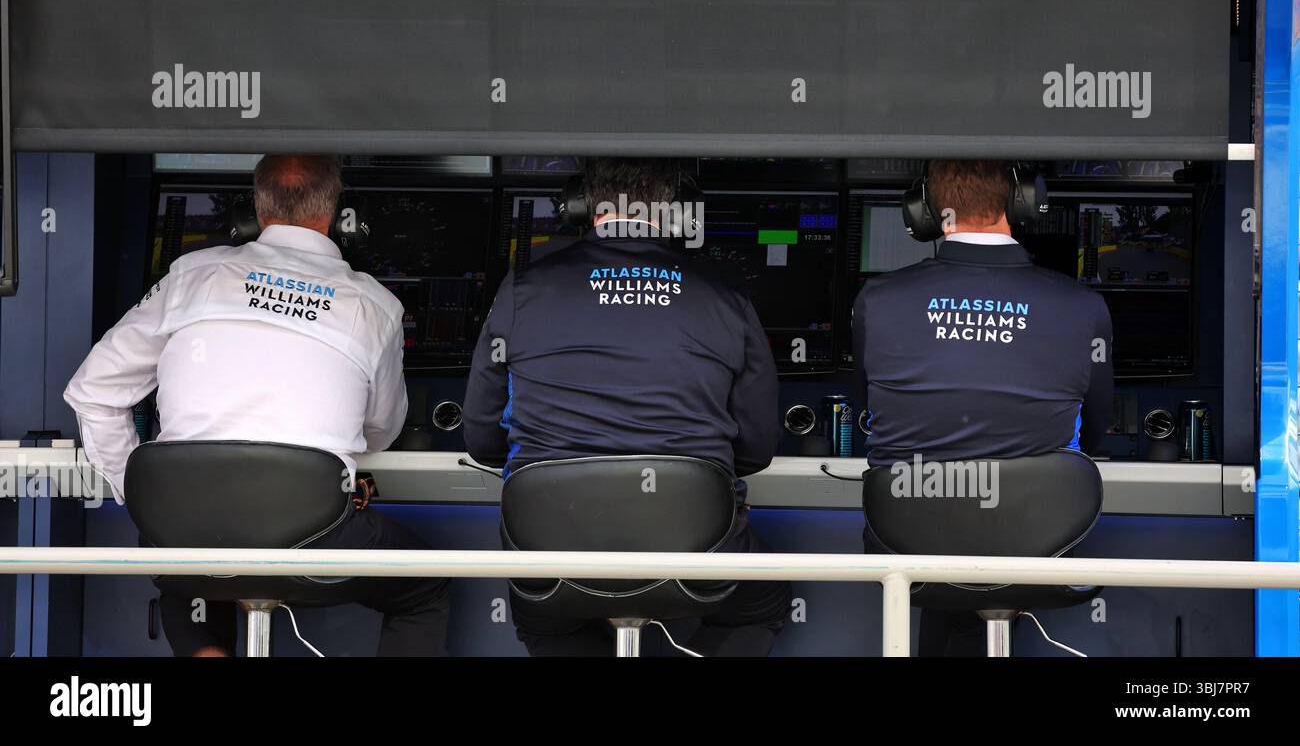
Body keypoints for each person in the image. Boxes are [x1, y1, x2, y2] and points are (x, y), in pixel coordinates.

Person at [64, 154, 450, 657]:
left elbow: (94, 390)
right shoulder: (374, 305)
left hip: (184, 536)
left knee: (188, 567)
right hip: (313, 541)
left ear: (257, 207)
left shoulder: (192, 274)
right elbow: (378, 433)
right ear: (333, 210)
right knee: (427, 585)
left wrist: (141, 494)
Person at [463, 157, 790, 656]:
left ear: (578, 205)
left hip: (549, 551)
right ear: (679, 212)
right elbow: (757, 447)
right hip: (694, 549)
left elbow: (482, 439)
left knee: (548, 614)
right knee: (762, 600)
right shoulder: (725, 298)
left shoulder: (521, 290)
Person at [852, 159, 1113, 656]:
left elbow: (871, 410)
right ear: (1021, 202)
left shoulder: (877, 299)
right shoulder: (1082, 305)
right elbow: (1096, 433)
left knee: (942, 560)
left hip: (907, 531)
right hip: (1038, 535)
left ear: (925, 211)